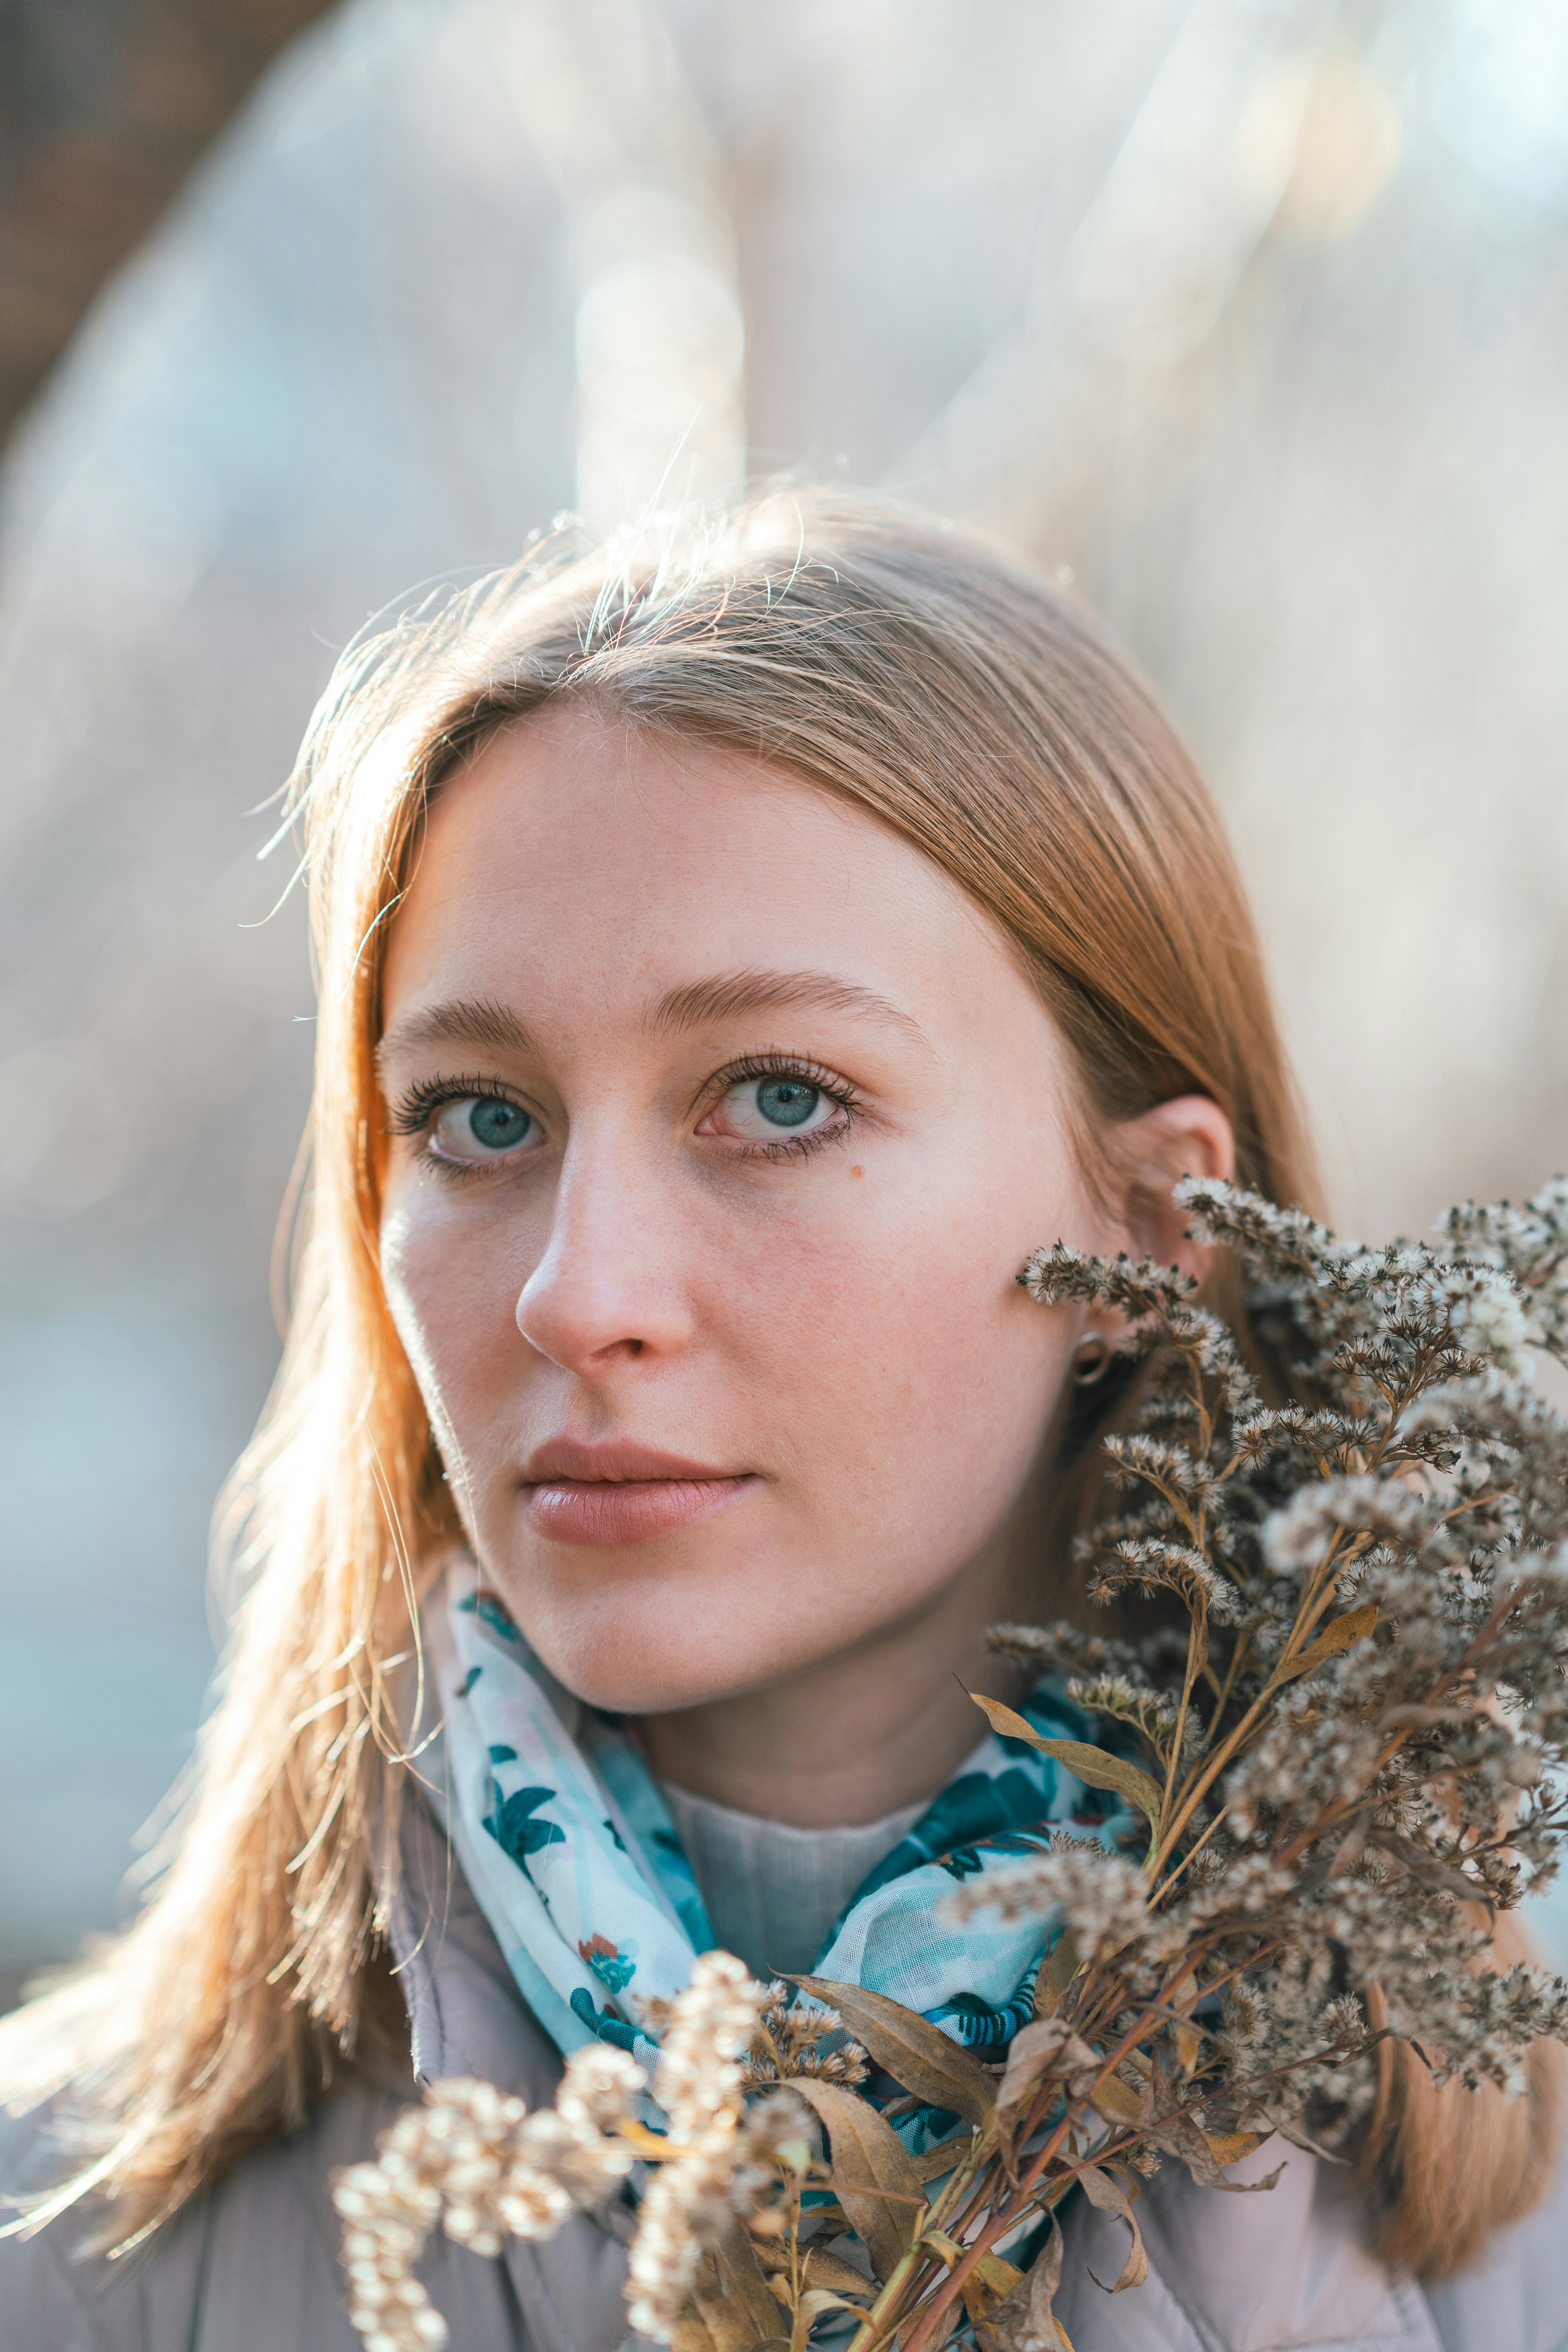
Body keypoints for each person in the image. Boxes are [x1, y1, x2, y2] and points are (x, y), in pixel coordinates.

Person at [1, 494, 1562, 2352]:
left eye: (778, 1096)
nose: (579, 1296)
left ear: (1149, 1235)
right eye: (479, 1119)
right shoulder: (68, 2223)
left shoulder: (1500, 2224)